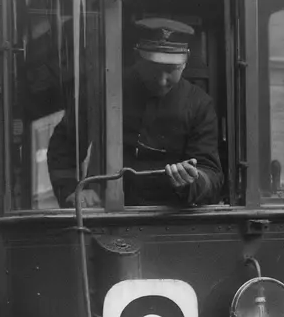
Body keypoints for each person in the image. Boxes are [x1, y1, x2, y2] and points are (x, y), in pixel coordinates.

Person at [47, 17, 224, 208]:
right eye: (153, 69)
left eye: (172, 70)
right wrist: (71, 192)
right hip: (106, 213)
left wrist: (193, 181)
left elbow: (212, 175)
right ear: (137, 57)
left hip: (172, 218)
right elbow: (63, 147)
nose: (162, 80)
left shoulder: (199, 104)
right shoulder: (103, 91)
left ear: (185, 62)